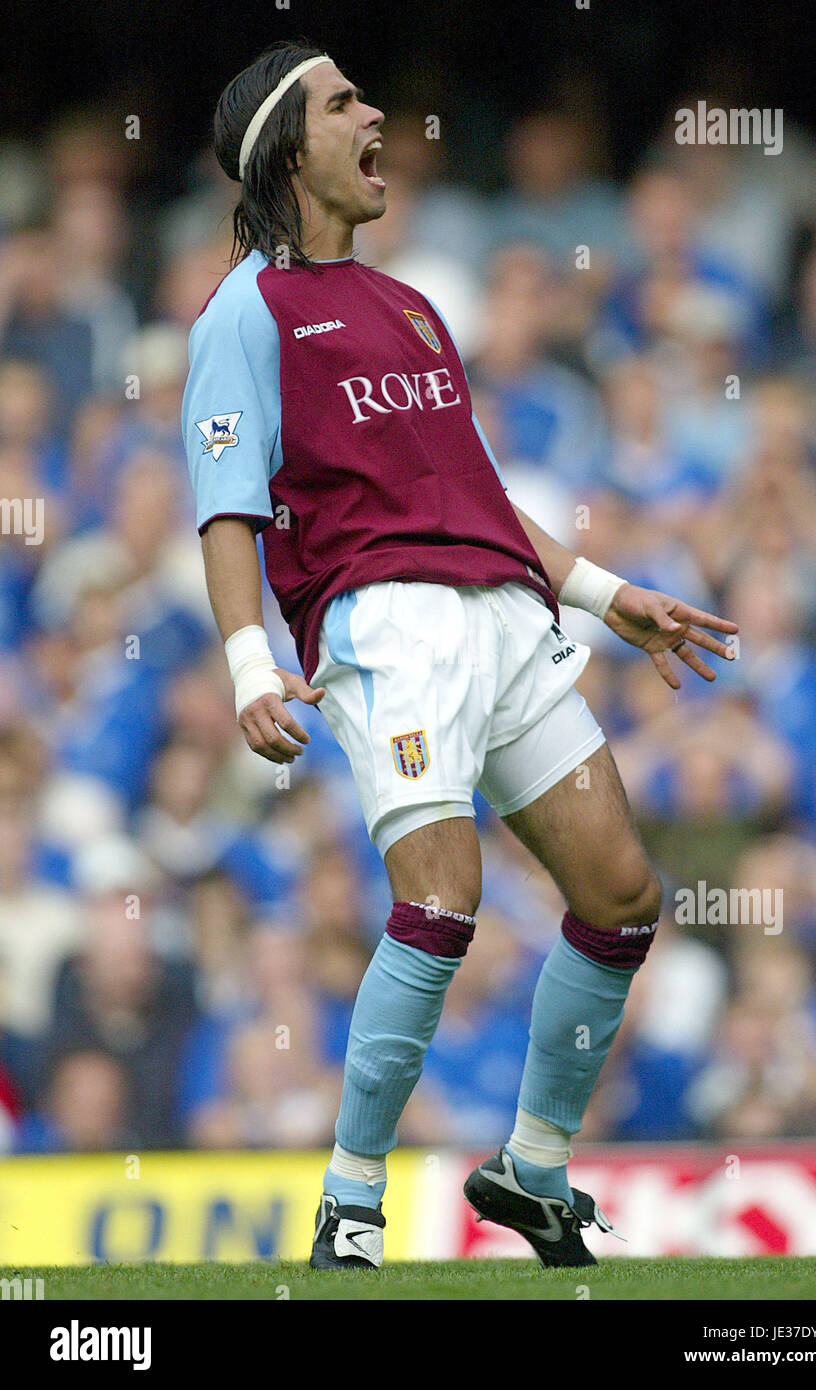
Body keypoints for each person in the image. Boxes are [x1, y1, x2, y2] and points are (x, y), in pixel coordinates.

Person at [182, 41, 737, 1271]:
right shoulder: (242, 313)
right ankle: (349, 1198)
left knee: (622, 897)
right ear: (288, 150)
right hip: (387, 626)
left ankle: (532, 1172)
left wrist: (604, 595)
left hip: (502, 614)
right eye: (342, 103)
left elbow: (474, 489)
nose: (373, 112)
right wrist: (245, 664)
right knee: (441, 903)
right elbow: (225, 507)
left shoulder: (414, 304)